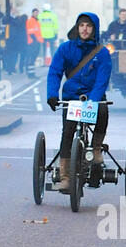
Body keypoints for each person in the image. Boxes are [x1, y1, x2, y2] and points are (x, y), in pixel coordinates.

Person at [46, 11, 113, 193]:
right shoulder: (65, 48)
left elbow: (102, 80)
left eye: (89, 26)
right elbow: (55, 71)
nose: (85, 29)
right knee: (67, 133)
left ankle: (97, 148)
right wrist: (52, 94)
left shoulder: (103, 53)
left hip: (94, 97)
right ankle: (66, 177)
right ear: (77, 27)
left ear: (94, 29)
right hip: (72, 98)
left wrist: (92, 101)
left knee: (103, 113)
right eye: (82, 25)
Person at [25, 7, 43, 78]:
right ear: (32, 13)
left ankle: (32, 73)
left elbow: (38, 32)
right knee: (31, 58)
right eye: (35, 12)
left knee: (33, 58)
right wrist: (35, 41)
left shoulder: (37, 21)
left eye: (37, 13)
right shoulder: (30, 21)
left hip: (37, 42)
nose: (36, 14)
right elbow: (30, 32)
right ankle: (30, 74)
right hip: (32, 42)